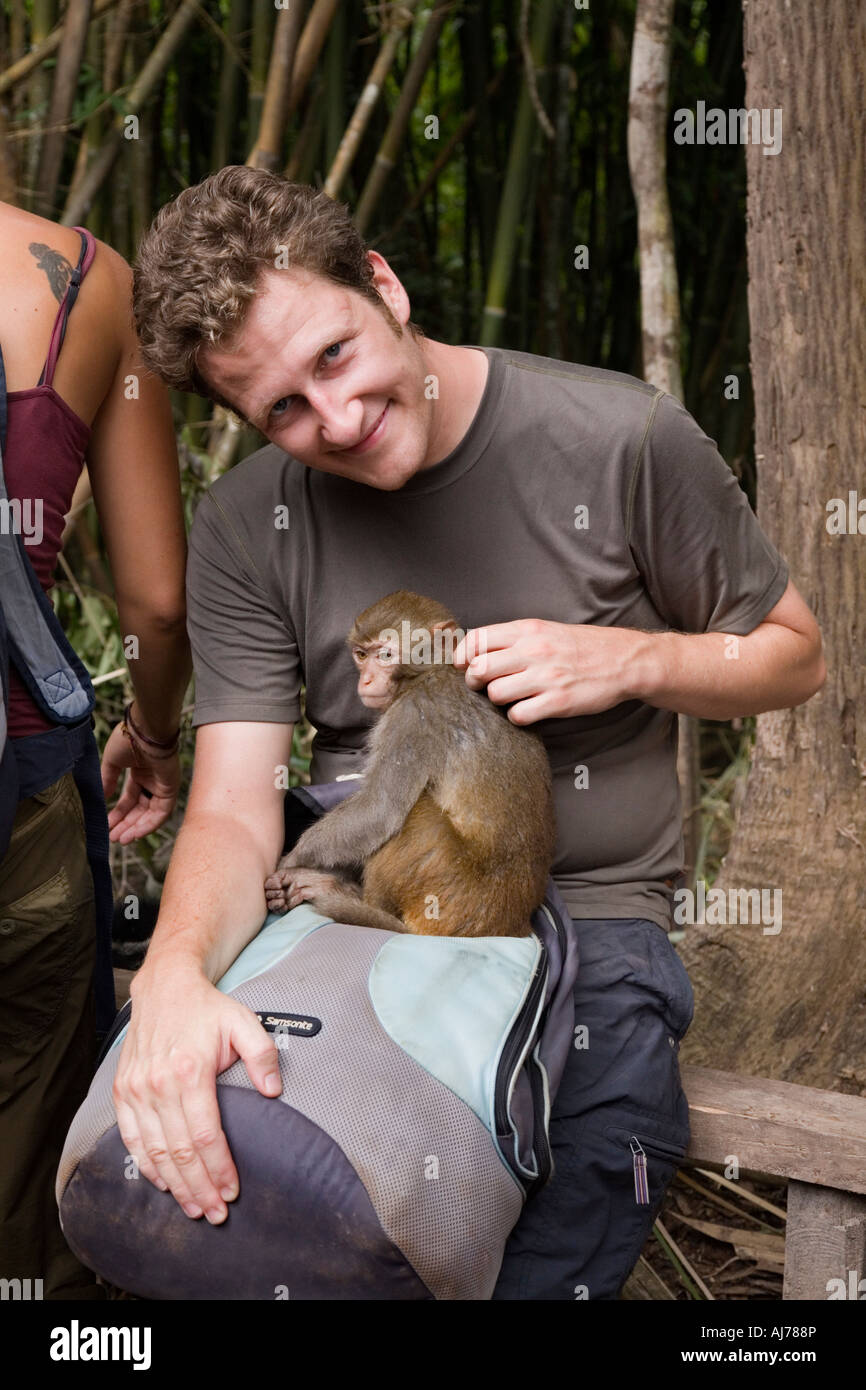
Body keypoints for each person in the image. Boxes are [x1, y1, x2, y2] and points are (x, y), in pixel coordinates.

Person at [114, 165, 825, 1300]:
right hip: (362, 892)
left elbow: (794, 653)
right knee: (248, 1183)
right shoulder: (248, 523)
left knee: (593, 1168)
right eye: (281, 410)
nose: (333, 419)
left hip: (585, 918)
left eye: (335, 356)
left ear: (384, 286)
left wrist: (633, 655)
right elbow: (233, 807)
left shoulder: (620, 437)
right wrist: (171, 979)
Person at [0, 202, 191, 1299]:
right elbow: (156, 605)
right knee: (31, 1132)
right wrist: (152, 733)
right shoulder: (86, 278)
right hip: (21, 777)